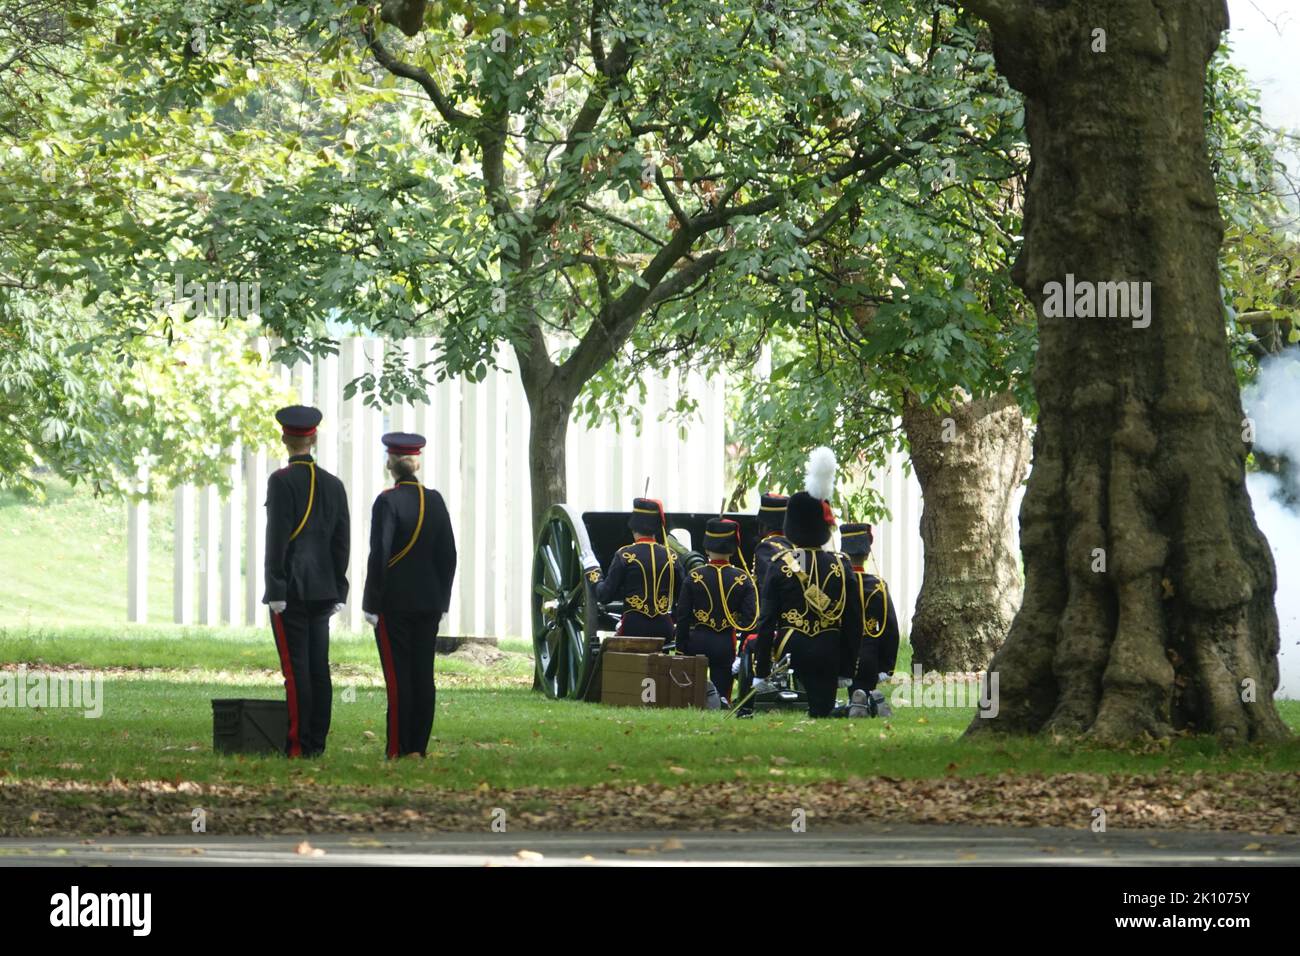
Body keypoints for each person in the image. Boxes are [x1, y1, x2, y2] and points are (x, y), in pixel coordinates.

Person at [361, 432, 458, 759]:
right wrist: (442, 600)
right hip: (429, 603)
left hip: (395, 604)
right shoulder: (436, 500)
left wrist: (371, 604)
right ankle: (418, 746)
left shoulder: (387, 501)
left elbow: (380, 555)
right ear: (417, 462)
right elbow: (449, 555)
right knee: (422, 675)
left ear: (391, 464)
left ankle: (397, 749)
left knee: (398, 678)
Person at [263, 405, 351, 758]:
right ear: (312, 439)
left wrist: (276, 588)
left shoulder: (281, 481)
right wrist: (339, 588)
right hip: (324, 590)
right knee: (319, 670)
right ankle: (317, 742)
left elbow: (277, 539)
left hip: (292, 591)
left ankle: (299, 745)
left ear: (285, 438)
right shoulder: (334, 484)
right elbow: (341, 541)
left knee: (296, 670)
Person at [752, 447, 862, 718]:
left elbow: (766, 622)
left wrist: (761, 671)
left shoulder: (780, 563)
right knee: (822, 712)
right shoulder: (841, 564)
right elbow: (853, 621)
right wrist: (847, 668)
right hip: (829, 647)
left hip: (792, 648)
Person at [675, 517, 758, 706]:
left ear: (706, 548)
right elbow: (749, 620)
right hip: (725, 644)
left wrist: (680, 647)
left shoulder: (694, 576)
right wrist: (742, 651)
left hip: (698, 640)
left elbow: (683, 616)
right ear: (733, 548)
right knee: (722, 697)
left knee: (692, 694)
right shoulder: (742, 578)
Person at [582, 497, 679, 642]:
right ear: (657, 528)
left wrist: (592, 569)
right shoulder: (672, 556)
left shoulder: (625, 555)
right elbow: (682, 595)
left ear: (633, 527)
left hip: (632, 629)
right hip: (665, 629)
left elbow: (604, 596)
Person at [839, 522, 900, 718]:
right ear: (866, 554)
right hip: (870, 657)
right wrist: (887, 667)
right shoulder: (879, 586)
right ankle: (871, 699)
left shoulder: (836, 583)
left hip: (843, 657)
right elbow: (891, 630)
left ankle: (856, 702)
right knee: (864, 688)